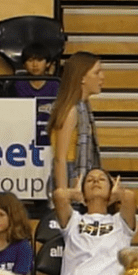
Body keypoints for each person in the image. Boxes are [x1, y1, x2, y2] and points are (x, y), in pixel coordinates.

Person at [55, 169, 137, 275]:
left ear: (111, 189)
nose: (96, 181)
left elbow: (130, 197)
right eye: (90, 180)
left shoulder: (120, 222)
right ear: (82, 191)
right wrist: (74, 194)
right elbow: (59, 196)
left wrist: (117, 194)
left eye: (102, 179)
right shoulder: (73, 220)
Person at [48, 51, 104, 193]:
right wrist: (63, 195)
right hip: (71, 178)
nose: (102, 77)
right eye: (96, 73)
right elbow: (60, 159)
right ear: (82, 78)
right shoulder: (71, 111)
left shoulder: (84, 107)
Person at [14, 42, 59, 156]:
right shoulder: (17, 85)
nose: (35, 65)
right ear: (24, 64)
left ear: (48, 63)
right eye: (30, 60)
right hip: (23, 137)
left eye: (39, 60)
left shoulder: (56, 85)